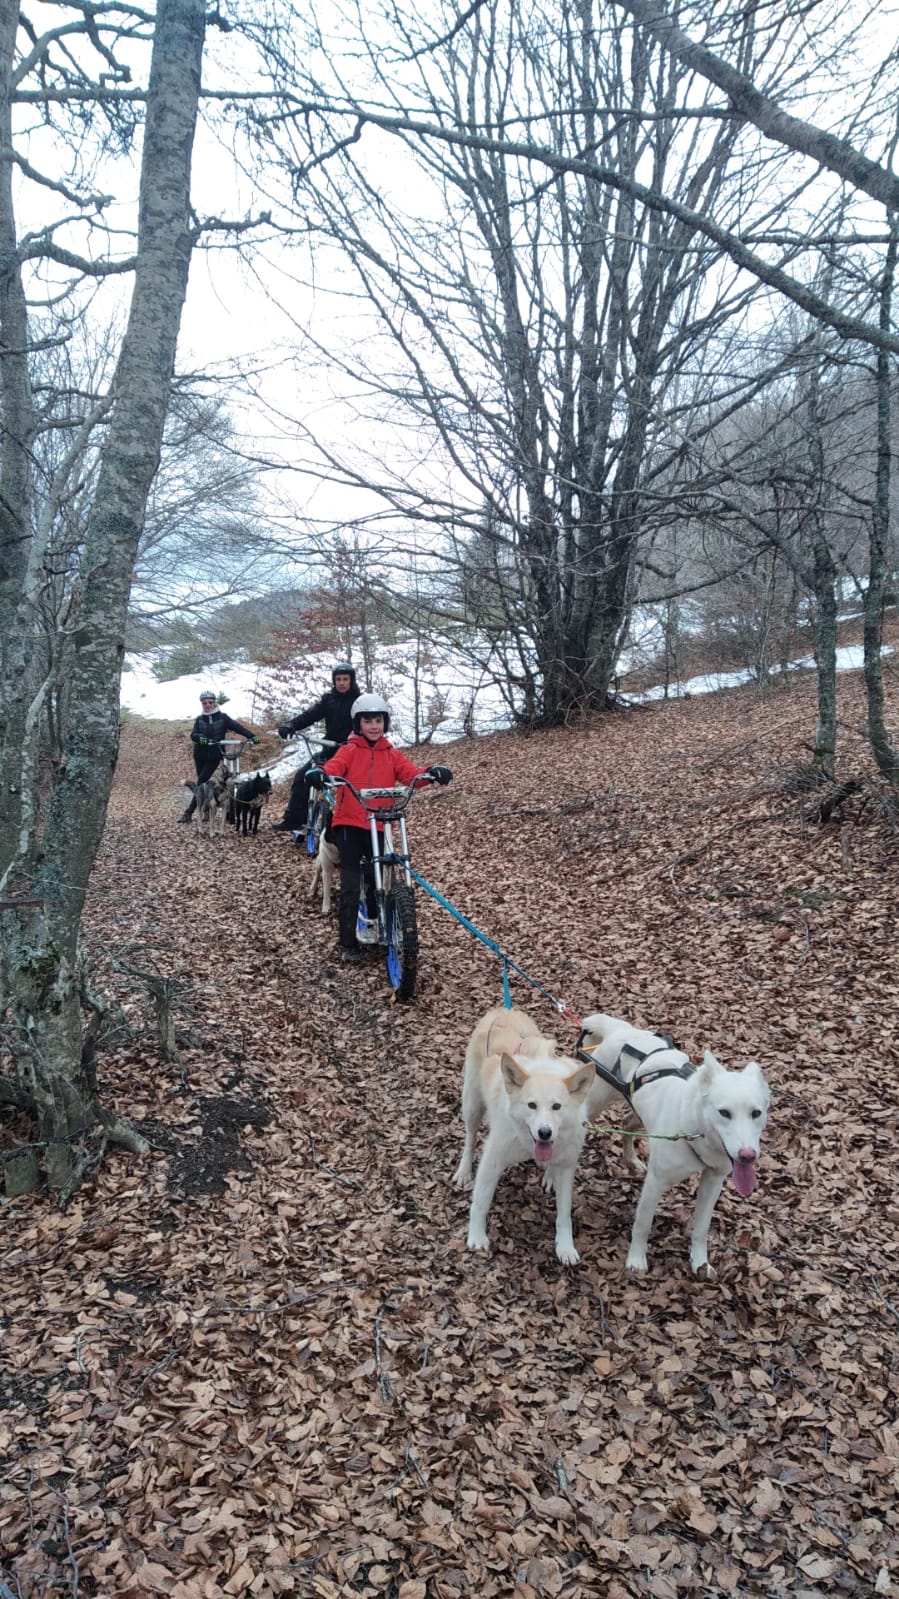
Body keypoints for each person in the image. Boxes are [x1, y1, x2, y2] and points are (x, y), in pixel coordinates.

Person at [309, 693, 452, 962]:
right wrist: (323, 773)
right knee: (351, 883)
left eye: (378, 720)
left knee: (380, 878)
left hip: (380, 821)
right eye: (367, 721)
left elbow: (411, 774)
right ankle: (347, 942)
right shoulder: (349, 750)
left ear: (384, 723)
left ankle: (381, 921)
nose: (373, 726)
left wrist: (432, 773)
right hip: (350, 823)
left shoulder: (391, 753)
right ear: (358, 724)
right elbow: (335, 767)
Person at [272, 662, 359, 836]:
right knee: (303, 776)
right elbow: (310, 715)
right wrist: (291, 725)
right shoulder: (328, 700)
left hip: (353, 751)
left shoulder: (359, 701)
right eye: (338, 679)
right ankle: (296, 821)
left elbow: (367, 724)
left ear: (352, 680)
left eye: (345, 679)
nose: (341, 683)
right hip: (329, 749)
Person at [179, 691, 258, 822]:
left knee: (201, 782)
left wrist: (252, 736)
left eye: (210, 702)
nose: (207, 705)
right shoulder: (200, 719)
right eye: (204, 703)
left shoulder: (223, 718)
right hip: (199, 755)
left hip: (215, 755)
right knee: (203, 784)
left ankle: (188, 813)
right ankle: (206, 810)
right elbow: (193, 734)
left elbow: (238, 727)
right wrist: (200, 738)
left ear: (214, 702)